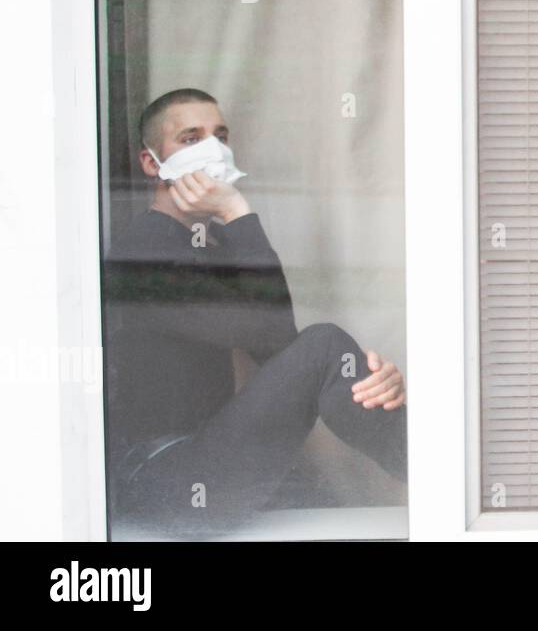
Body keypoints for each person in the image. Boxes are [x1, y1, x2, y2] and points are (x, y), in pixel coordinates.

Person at [104, 88, 408, 538]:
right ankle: (440, 467)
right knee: (324, 344)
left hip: (206, 460)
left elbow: (278, 349)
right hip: (165, 479)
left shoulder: (211, 248)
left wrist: (374, 384)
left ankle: (428, 461)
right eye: (191, 138)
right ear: (152, 163)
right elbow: (288, 338)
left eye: (220, 135)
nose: (213, 149)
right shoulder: (143, 253)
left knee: (329, 490)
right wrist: (234, 209)